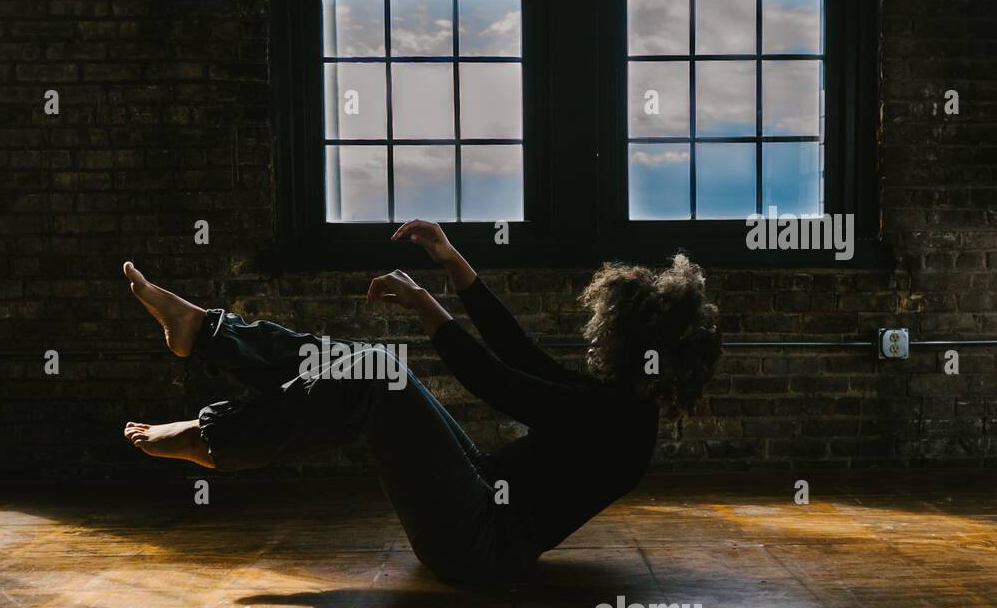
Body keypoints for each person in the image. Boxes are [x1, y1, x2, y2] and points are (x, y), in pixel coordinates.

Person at [121, 220, 722, 584]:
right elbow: (519, 354)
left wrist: (424, 306)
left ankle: (216, 439)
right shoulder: (620, 404)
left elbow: (500, 384)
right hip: (478, 507)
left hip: (478, 545)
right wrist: (453, 262)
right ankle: (204, 331)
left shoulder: (620, 421)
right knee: (353, 361)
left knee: (379, 374)